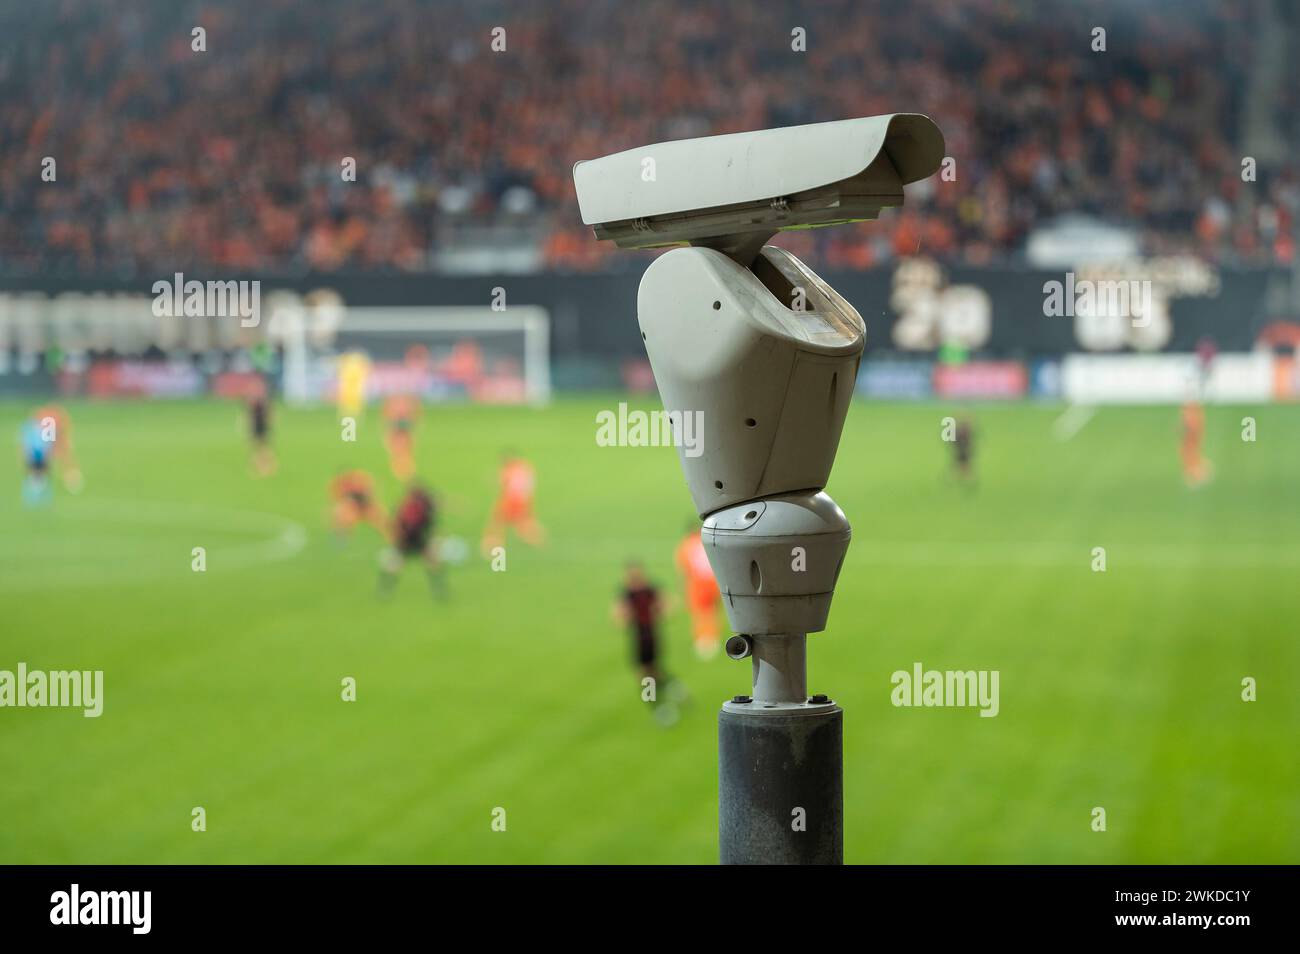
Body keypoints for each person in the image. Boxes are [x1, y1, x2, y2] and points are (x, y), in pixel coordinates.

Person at [612, 562, 683, 726]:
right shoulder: (650, 589)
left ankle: (658, 708)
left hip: (641, 637)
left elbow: (618, 618)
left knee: (644, 674)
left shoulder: (628, 593)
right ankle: (676, 689)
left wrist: (627, 617)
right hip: (653, 634)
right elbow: (669, 605)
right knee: (654, 669)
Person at [379, 482, 446, 597]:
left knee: (395, 565)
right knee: (432, 563)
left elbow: (395, 524)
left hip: (408, 541)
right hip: (413, 540)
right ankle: (439, 590)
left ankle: (385, 590)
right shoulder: (422, 508)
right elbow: (429, 525)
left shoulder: (406, 507)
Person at [481, 450, 545, 553]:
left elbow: (504, 483)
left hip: (511, 500)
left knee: (499, 521)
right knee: (520, 522)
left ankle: (493, 546)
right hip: (523, 500)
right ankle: (537, 540)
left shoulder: (509, 470)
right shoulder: (525, 467)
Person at [675, 525, 722, 659]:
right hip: (713, 581)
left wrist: (682, 588)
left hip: (698, 583)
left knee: (699, 613)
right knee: (712, 611)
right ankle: (713, 638)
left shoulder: (686, 544)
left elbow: (684, 568)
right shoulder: (707, 541)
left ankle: (702, 640)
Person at [31, 403, 82, 492]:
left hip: (53, 441)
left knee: (63, 460)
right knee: (57, 460)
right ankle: (40, 480)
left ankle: (70, 479)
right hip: (52, 442)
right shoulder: (51, 415)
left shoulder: (45, 415)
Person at [329, 469, 387, 543]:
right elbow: (339, 500)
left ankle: (391, 537)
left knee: (380, 520)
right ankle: (342, 533)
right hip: (354, 507)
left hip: (365, 504)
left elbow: (368, 492)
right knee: (339, 512)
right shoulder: (339, 485)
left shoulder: (357, 480)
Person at [382, 393, 420, 481]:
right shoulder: (395, 405)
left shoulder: (404, 405)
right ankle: (401, 468)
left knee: (404, 449)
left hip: (403, 429)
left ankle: (405, 468)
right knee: (398, 449)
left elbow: (413, 417)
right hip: (397, 429)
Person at [19, 415, 52, 507]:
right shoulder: (30, 433)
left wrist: (46, 456)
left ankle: (44, 498)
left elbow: (47, 446)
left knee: (42, 478)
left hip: (40, 458)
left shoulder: (42, 433)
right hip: (34, 458)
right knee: (33, 478)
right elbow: (26, 447)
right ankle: (31, 498)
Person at [247, 381, 277, 476]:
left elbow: (269, 413)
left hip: (261, 426)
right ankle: (261, 465)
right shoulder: (254, 401)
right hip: (256, 426)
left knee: (263, 448)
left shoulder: (263, 402)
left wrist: (270, 421)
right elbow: (250, 416)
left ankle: (267, 466)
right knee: (257, 447)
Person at [1181, 400, 1212, 487]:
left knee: (1190, 453)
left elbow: (1190, 427)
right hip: (1192, 438)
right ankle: (1197, 472)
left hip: (1191, 439)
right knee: (1190, 453)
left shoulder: (1192, 416)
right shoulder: (1196, 415)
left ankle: (1198, 473)